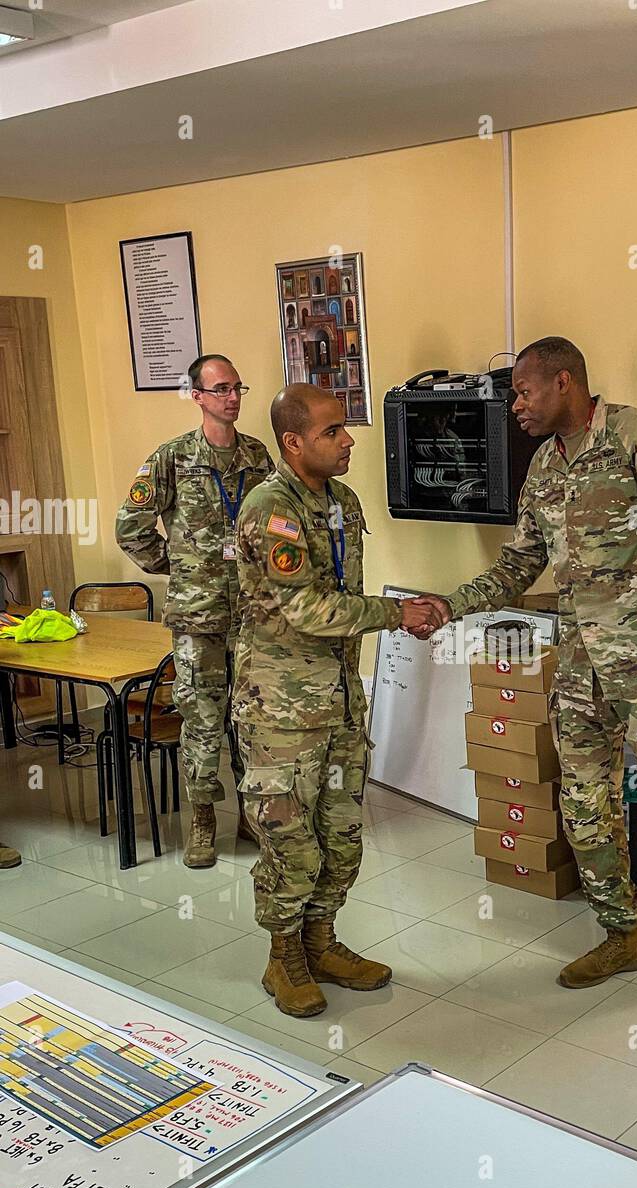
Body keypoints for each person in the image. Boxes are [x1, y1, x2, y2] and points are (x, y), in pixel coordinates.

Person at [417, 337, 637, 1000]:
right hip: (577, 669)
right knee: (584, 807)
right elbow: (519, 565)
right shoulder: (543, 465)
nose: (514, 404)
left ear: (563, 382)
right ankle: (622, 934)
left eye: (523, 391)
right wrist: (449, 604)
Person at [233, 384, 440, 1017]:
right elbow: (307, 609)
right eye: (332, 432)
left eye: (346, 428)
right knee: (290, 842)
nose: (348, 440)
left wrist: (387, 618)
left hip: (341, 702)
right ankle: (283, 958)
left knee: (342, 837)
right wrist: (397, 613)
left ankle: (321, 943)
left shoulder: (343, 502)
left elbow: (340, 600)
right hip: (283, 713)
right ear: (293, 442)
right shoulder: (271, 509)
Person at [116, 354, 274, 868]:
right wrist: (178, 566)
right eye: (221, 388)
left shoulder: (257, 455)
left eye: (238, 387)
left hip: (252, 611)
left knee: (252, 717)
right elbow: (131, 527)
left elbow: (277, 521)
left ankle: (254, 814)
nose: (232, 397)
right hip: (197, 615)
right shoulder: (172, 457)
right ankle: (202, 819)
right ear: (198, 396)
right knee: (203, 718)